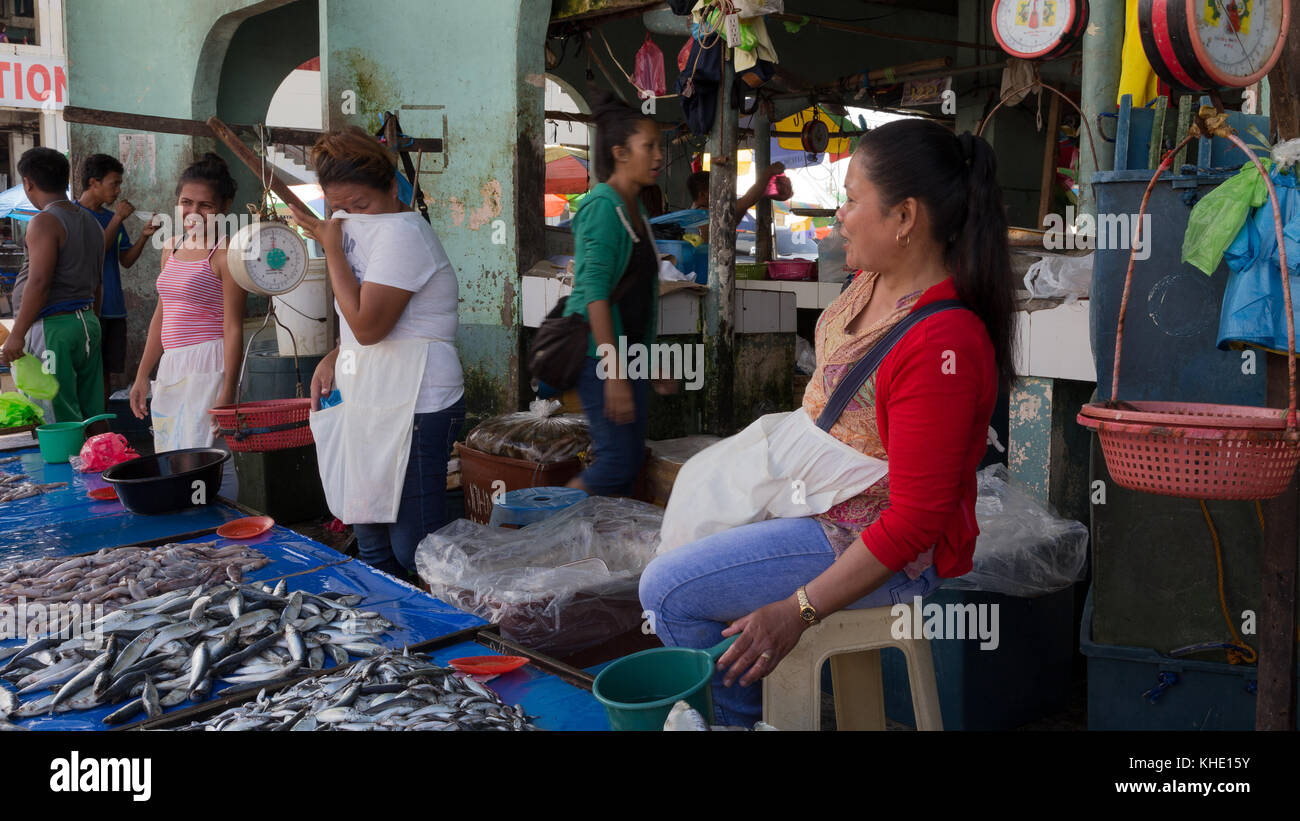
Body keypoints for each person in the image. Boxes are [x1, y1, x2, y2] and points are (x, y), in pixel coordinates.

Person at [639, 119, 1015, 727]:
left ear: (905, 217)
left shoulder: (943, 341)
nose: (840, 215)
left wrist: (798, 610)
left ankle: (743, 723)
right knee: (682, 544)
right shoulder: (870, 281)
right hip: (815, 505)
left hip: (870, 544)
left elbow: (916, 521)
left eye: (853, 199)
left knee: (666, 591)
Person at [288, 127, 465, 579]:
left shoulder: (405, 233)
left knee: (414, 547)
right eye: (339, 208)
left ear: (393, 189)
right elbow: (355, 324)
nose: (350, 216)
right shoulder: (353, 230)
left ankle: (444, 635)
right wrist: (334, 353)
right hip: (366, 392)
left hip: (419, 401)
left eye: (361, 206)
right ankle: (390, 633)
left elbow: (368, 326)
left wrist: (331, 251)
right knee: (370, 537)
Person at [562, 92, 676, 498]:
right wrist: (613, 373)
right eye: (649, 146)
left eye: (658, 146)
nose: (658, 155)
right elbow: (595, 293)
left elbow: (637, 296)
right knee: (615, 462)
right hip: (599, 356)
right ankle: (542, 528)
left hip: (629, 356)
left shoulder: (636, 210)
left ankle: (595, 549)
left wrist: (651, 360)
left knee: (626, 463)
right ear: (620, 152)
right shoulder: (601, 207)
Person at [128, 154, 245, 496]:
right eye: (186, 202)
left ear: (225, 206)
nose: (194, 212)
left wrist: (227, 392)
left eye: (206, 205)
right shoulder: (171, 247)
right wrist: (141, 375)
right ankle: (191, 525)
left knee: (207, 454)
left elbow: (233, 327)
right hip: (173, 364)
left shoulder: (226, 254)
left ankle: (220, 524)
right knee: (173, 451)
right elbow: (161, 315)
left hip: (211, 361)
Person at [0, 148, 107, 426]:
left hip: (54, 328)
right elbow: (98, 281)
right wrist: (92, 321)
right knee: (92, 409)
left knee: (55, 416)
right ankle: (104, 463)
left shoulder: (45, 221)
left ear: (28, 183)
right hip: (87, 324)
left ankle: (67, 466)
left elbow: (39, 281)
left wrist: (17, 335)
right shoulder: (92, 222)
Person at [78, 154, 160, 402]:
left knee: (106, 374)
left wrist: (144, 237)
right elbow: (95, 252)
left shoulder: (110, 217)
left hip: (115, 308)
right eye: (113, 183)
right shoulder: (75, 216)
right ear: (94, 183)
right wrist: (117, 218)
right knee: (86, 370)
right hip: (89, 309)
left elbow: (125, 260)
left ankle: (102, 426)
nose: (118, 190)